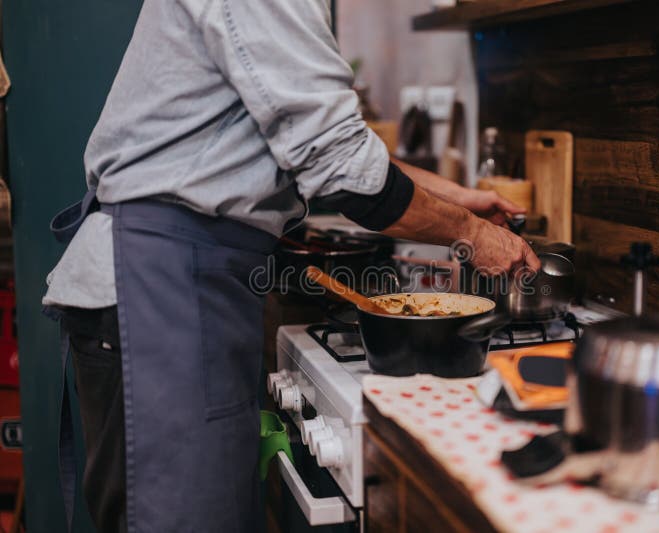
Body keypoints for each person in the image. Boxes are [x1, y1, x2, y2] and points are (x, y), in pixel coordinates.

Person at [42, 1, 540, 532]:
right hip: (161, 285)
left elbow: (330, 140)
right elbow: (345, 169)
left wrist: (461, 199)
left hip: (183, 280)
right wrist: (469, 231)